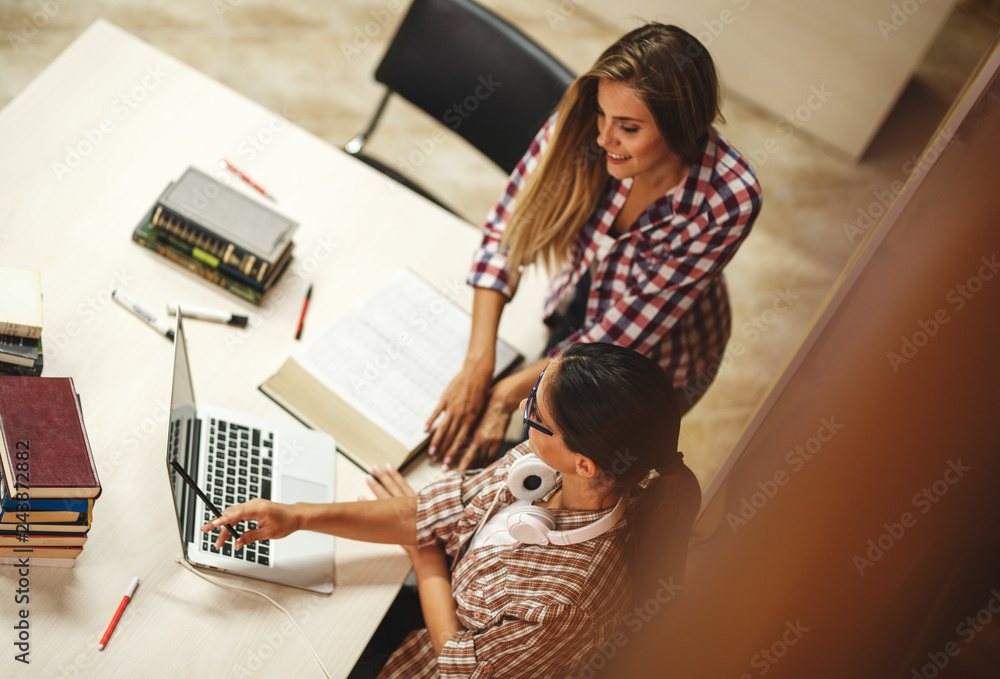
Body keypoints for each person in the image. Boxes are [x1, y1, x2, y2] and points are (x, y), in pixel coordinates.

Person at [203, 342, 701, 678]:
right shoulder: (538, 462)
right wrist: (297, 516)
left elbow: (458, 662)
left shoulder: (569, 604)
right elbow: (430, 513)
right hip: (428, 597)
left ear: (585, 464)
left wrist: (425, 560)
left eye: (535, 414)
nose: (524, 414)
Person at [426, 23, 763, 471]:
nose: (604, 139)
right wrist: (478, 362)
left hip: (657, 355)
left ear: (685, 126)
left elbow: (620, 337)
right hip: (586, 288)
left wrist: (507, 395)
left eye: (628, 127)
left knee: (581, 468)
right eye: (603, 116)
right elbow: (505, 237)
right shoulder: (587, 123)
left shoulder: (729, 198)